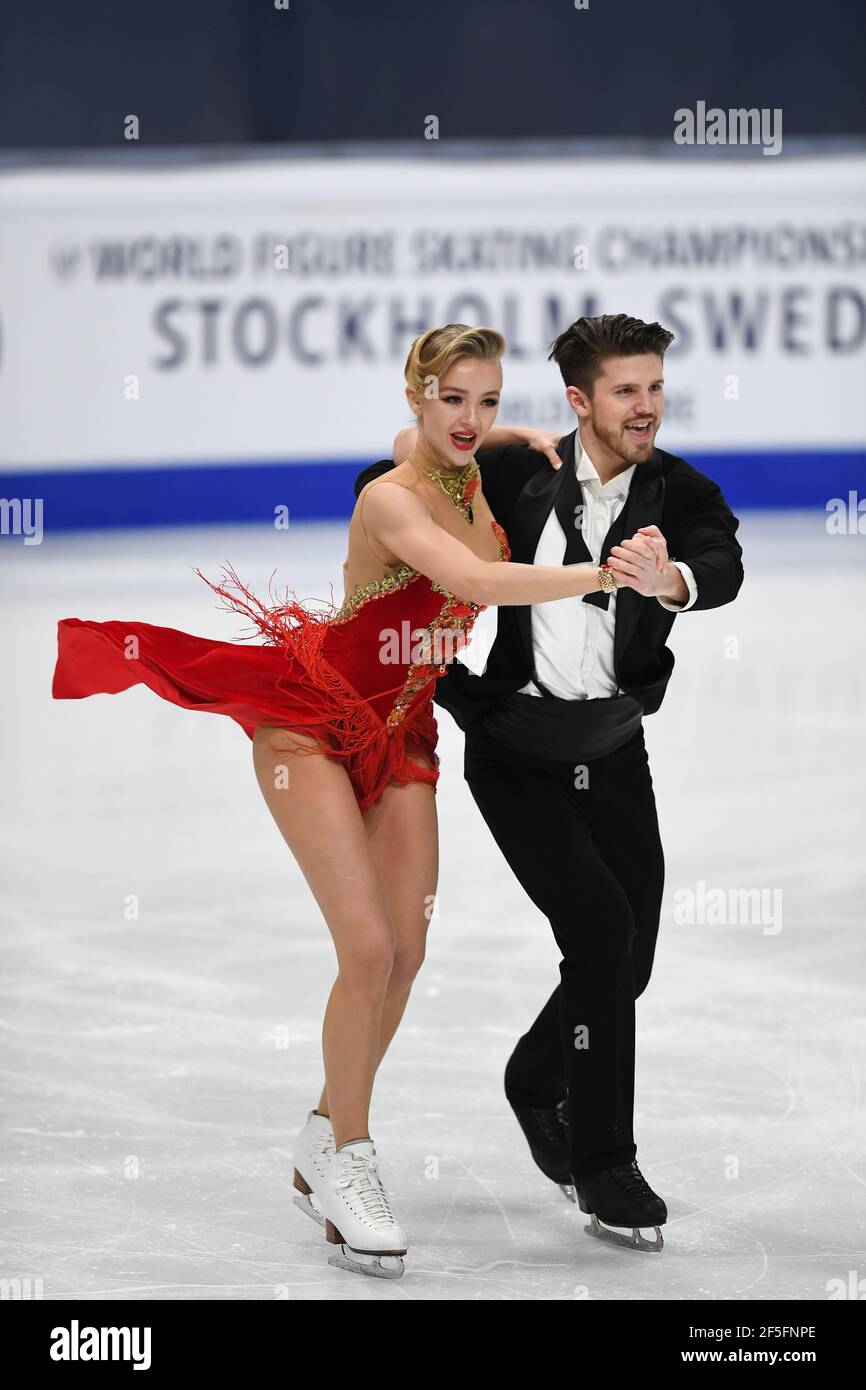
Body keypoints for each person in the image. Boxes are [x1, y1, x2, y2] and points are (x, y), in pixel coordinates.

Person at [50, 323, 648, 1280]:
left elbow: (474, 452)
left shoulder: (469, 469)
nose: (471, 418)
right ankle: (351, 1162)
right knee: (366, 946)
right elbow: (474, 580)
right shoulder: (390, 498)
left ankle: (323, 1128)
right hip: (312, 723)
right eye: (451, 399)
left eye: (486, 400)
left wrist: (518, 434)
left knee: (408, 951)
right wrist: (602, 574)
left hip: (404, 731)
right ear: (413, 398)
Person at [355, 313, 745, 1253]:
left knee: (631, 952)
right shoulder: (515, 473)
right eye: (625, 390)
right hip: (517, 756)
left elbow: (723, 563)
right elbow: (389, 478)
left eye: (654, 387)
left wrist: (672, 579)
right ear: (581, 401)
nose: (646, 406)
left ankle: (536, 1078)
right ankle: (606, 1160)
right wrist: (458, 695)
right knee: (601, 931)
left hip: (612, 749)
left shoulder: (678, 490)